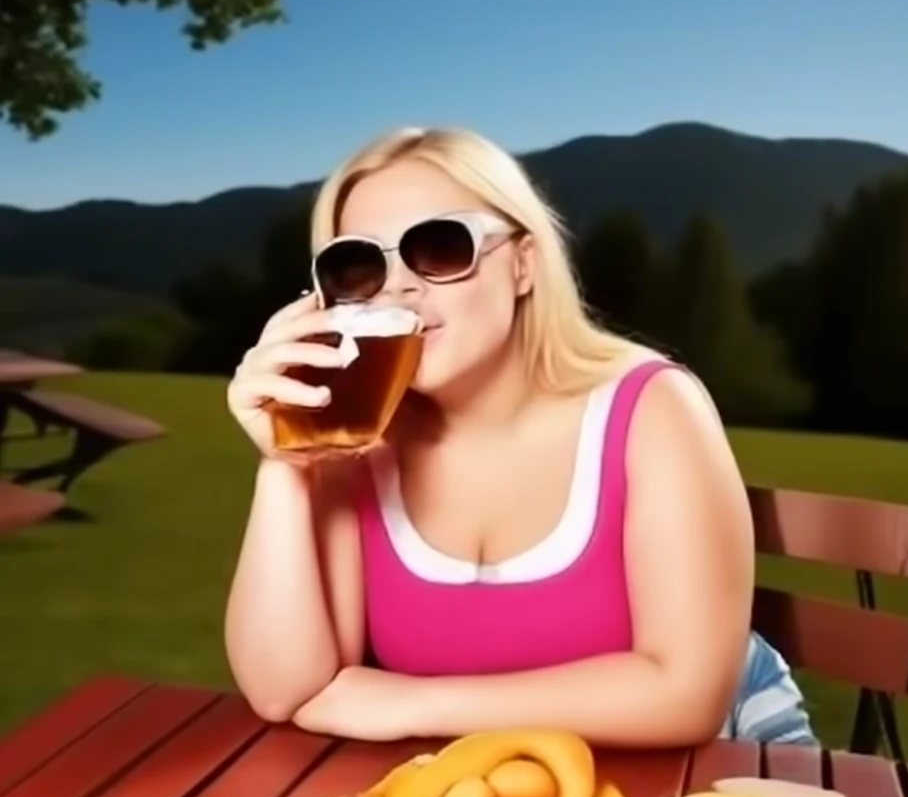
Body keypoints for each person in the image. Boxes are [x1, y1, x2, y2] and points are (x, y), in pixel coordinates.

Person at [224, 126, 816, 748]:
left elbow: (686, 696)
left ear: (525, 263)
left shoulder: (652, 408)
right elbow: (283, 690)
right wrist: (286, 463)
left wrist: (414, 704)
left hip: (727, 778)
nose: (399, 287)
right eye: (361, 264)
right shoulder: (358, 442)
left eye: (440, 246)